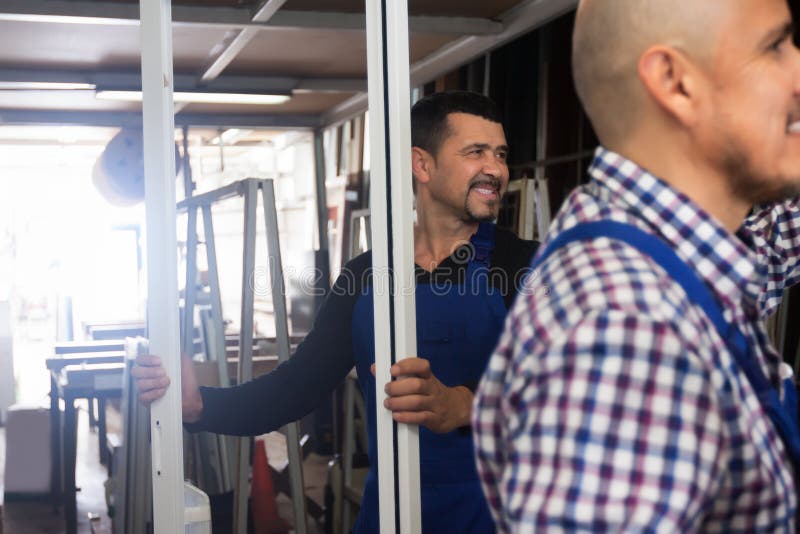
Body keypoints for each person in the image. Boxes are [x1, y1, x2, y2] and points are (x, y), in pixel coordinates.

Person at [134, 91, 539, 532]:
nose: (495, 169)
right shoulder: (365, 276)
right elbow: (296, 389)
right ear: (422, 165)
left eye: (499, 154)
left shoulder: (529, 267)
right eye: (475, 153)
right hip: (392, 514)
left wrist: (466, 405)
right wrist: (200, 406)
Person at [474, 0, 800, 531]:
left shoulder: (654, 254)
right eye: (774, 47)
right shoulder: (630, 329)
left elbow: (757, 253)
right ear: (675, 82)